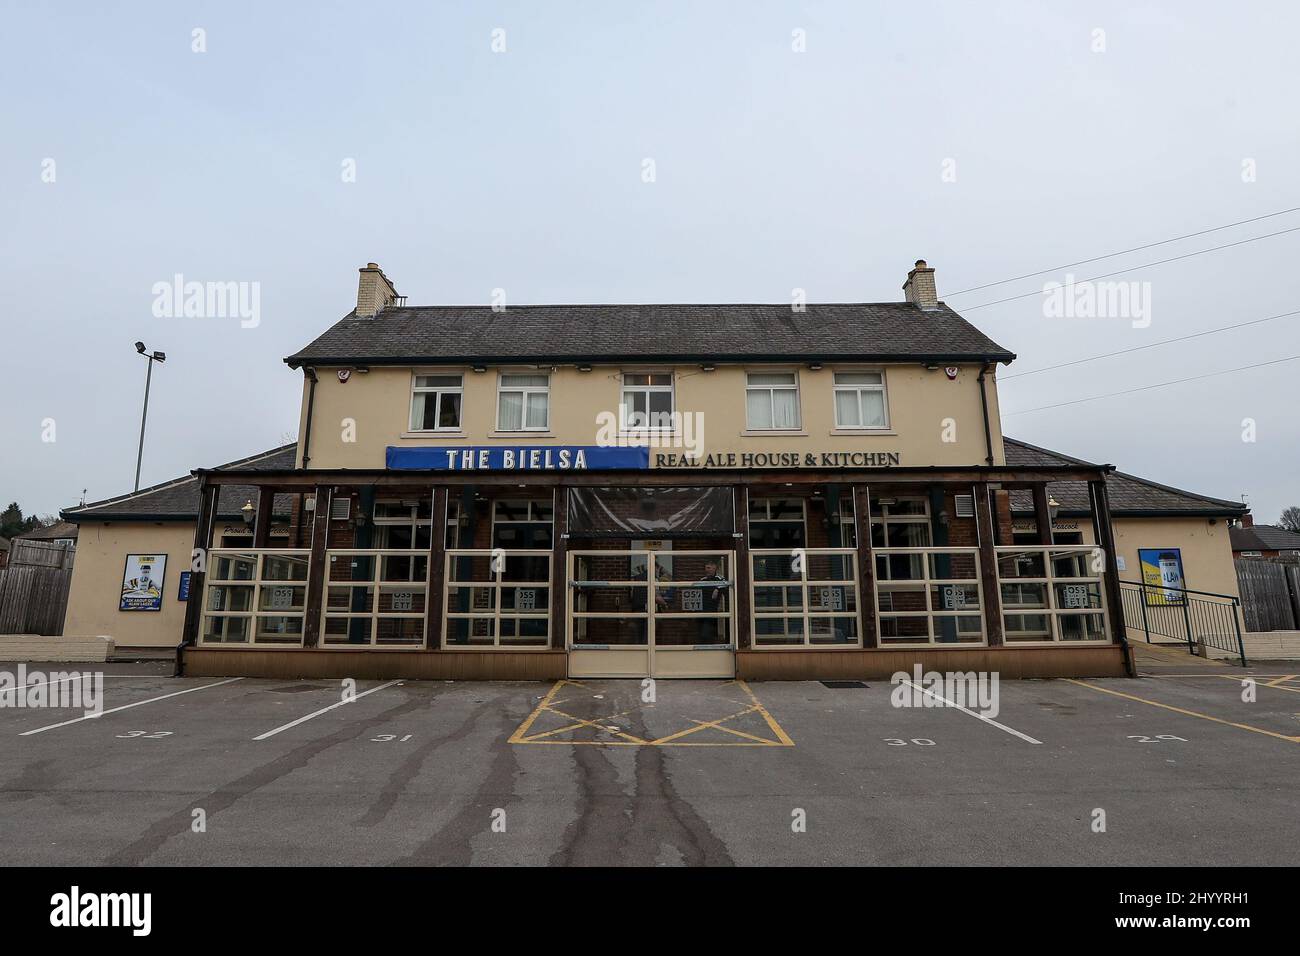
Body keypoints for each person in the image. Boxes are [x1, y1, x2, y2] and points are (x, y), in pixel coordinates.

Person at [696, 559, 726, 642]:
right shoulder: (703, 580)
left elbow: (724, 583)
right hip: (702, 609)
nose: (707, 570)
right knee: (702, 631)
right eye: (706, 568)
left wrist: (717, 589)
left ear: (714, 568)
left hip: (713, 609)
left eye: (709, 568)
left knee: (708, 631)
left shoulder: (719, 578)